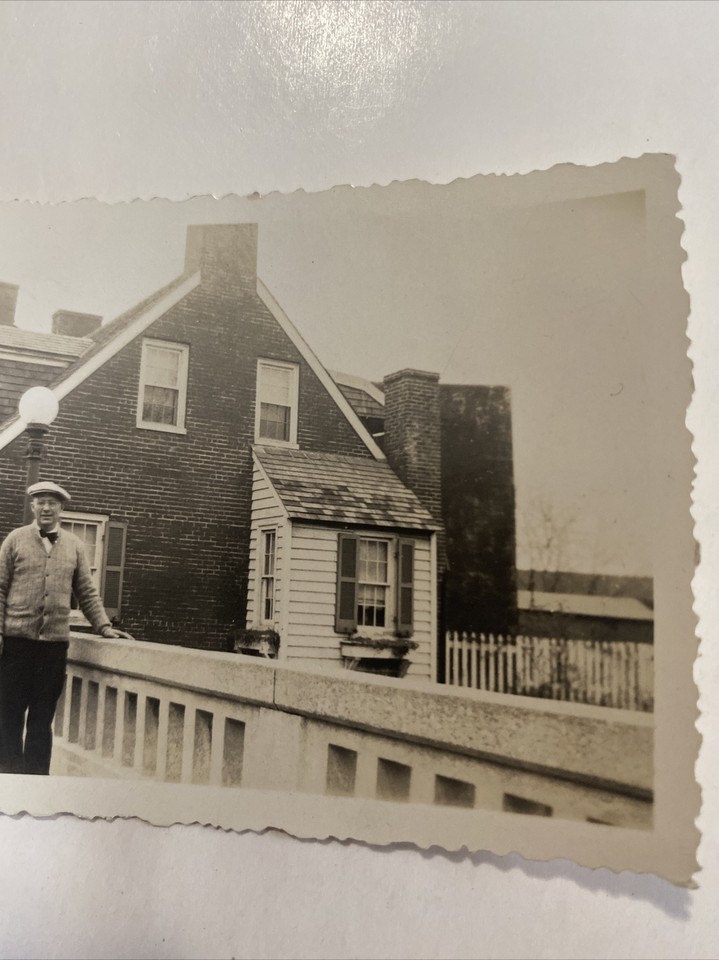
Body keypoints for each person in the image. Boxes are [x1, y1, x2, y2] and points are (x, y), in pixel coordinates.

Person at [0, 480, 132, 775]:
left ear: (61, 508)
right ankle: (8, 786)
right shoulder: (15, 540)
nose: (46, 507)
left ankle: (36, 787)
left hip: (53, 649)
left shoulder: (75, 545)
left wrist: (104, 627)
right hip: (15, 646)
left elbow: (86, 591)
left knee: (41, 719)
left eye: (53, 502)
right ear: (32, 506)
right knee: (8, 718)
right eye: (41, 501)